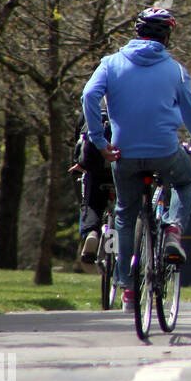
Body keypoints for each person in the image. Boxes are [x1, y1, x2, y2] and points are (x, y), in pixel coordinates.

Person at [80, 7, 191, 312]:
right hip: (166, 152)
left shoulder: (111, 63)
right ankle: (172, 230)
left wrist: (99, 142)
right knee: (186, 182)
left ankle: (127, 287)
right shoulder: (176, 71)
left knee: (125, 215)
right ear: (167, 37)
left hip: (123, 154)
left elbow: (89, 95)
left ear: (136, 33)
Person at [68, 105, 116, 264]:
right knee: (127, 207)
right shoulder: (130, 105)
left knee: (91, 204)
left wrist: (79, 164)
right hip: (120, 165)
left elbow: (79, 143)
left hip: (95, 167)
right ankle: (119, 250)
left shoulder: (90, 108)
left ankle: (92, 233)